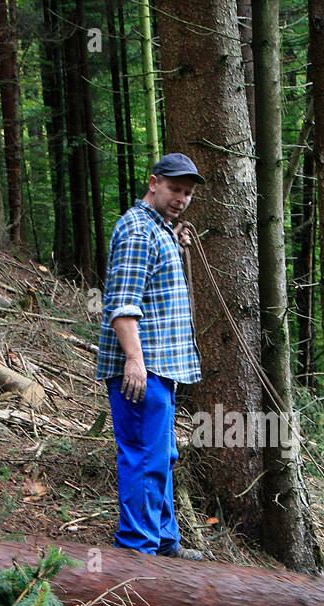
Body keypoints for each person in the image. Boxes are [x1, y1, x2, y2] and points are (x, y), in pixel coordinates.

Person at [97, 153, 206, 559]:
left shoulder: (157, 230)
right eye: (175, 189)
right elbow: (123, 304)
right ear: (154, 182)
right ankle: (137, 553)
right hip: (144, 369)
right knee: (143, 456)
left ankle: (162, 542)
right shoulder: (138, 231)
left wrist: (172, 241)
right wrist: (134, 361)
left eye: (188, 193)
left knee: (160, 455)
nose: (181, 198)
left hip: (162, 368)